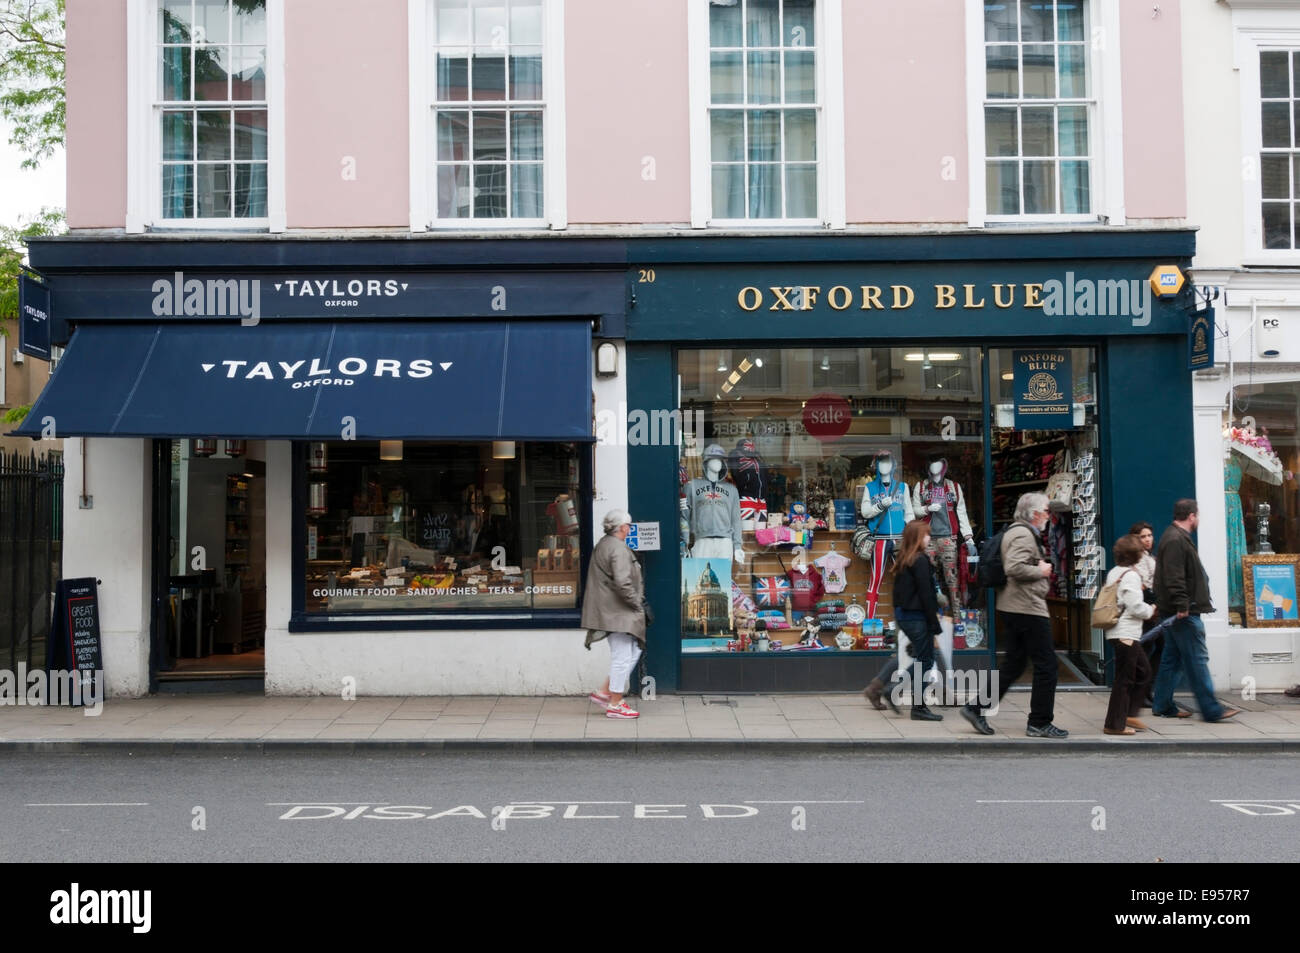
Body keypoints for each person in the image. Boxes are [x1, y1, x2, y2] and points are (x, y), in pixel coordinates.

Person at [961, 492, 1069, 738]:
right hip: (1026, 607)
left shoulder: (1018, 531)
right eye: (1045, 510)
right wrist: (1040, 571)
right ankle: (1039, 722)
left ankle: (976, 707)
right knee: (1047, 666)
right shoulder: (1022, 534)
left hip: (1014, 606)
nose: (1048, 515)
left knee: (1014, 664)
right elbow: (1014, 567)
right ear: (1033, 514)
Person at [1150, 499, 1242, 723]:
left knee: (1173, 658)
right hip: (1184, 612)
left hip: (1180, 609)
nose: (1198, 519)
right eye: (1197, 515)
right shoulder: (1175, 539)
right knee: (1197, 659)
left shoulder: (1176, 537)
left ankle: (1162, 704)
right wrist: (1182, 605)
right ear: (1191, 516)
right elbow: (1174, 576)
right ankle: (1211, 709)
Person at [863, 520, 943, 721]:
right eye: (926, 535)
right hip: (917, 617)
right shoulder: (920, 560)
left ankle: (895, 692)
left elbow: (899, 594)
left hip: (905, 617)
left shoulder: (904, 559)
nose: (929, 538)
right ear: (917, 538)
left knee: (920, 657)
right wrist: (933, 622)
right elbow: (927, 594)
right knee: (926, 660)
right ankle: (912, 704)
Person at [582, 509, 647, 720]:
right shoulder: (617, 549)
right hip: (619, 611)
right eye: (628, 524)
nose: (630, 528)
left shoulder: (604, 544)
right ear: (622, 528)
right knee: (623, 656)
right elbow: (622, 582)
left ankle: (605, 692)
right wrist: (637, 603)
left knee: (634, 649)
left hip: (613, 609)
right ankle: (615, 703)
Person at [1102, 534, 1155, 735]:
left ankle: (1128, 715)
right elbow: (1135, 607)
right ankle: (1115, 725)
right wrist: (1151, 609)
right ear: (1135, 555)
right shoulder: (1130, 576)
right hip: (1126, 633)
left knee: (1143, 672)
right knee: (1124, 679)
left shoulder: (1115, 572)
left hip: (1119, 632)